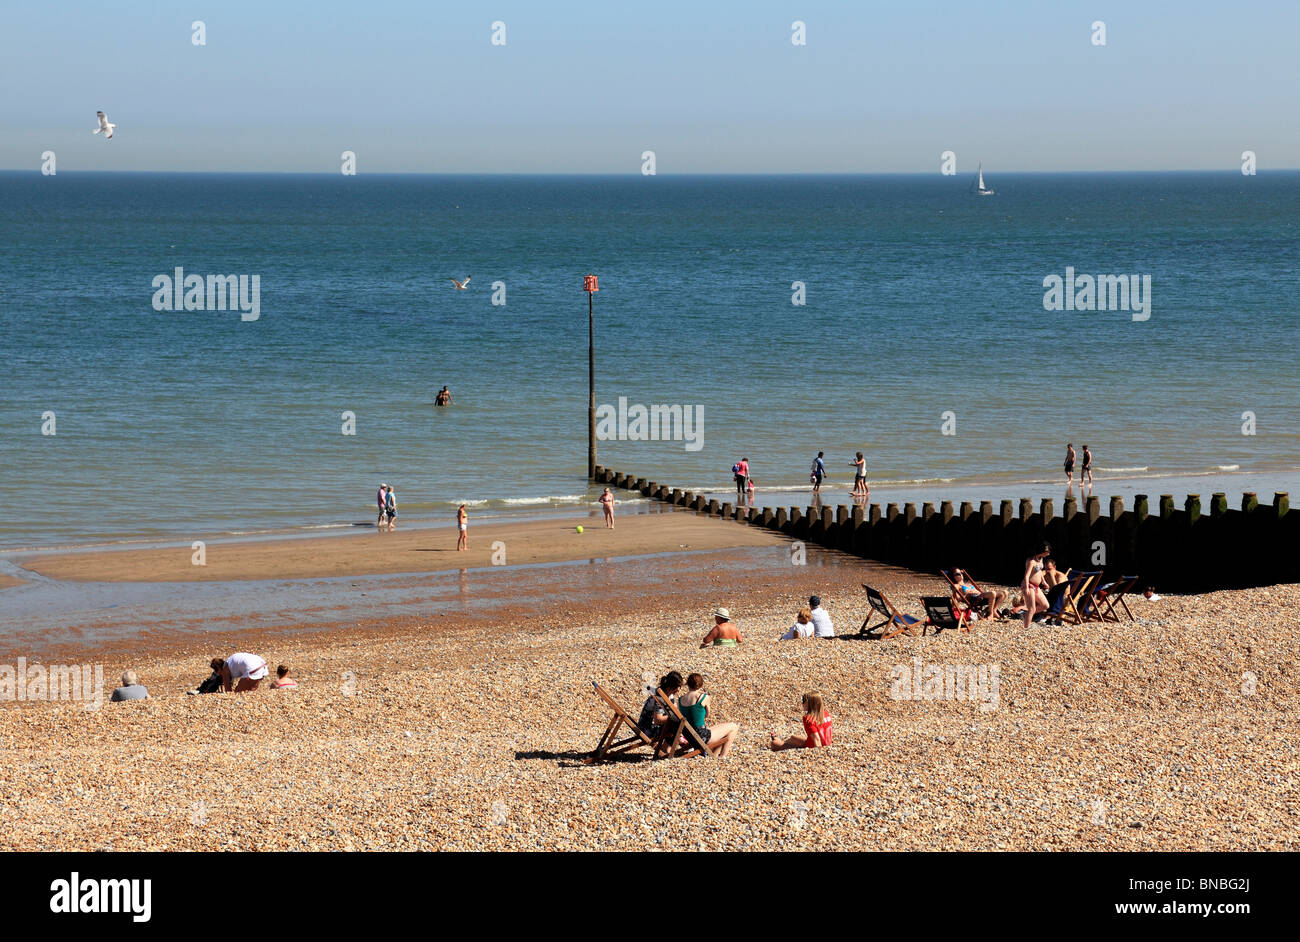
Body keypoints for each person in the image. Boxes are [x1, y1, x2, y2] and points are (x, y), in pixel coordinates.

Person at [678, 674, 738, 756]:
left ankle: (715, 756)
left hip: (689, 735)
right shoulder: (703, 697)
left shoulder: (680, 700)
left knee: (721, 728)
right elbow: (707, 715)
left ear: (687, 684)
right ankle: (723, 757)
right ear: (701, 685)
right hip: (701, 736)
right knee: (733, 726)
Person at [637, 671, 683, 741]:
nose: (679, 689)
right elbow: (658, 720)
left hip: (652, 727)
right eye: (678, 686)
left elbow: (674, 710)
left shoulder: (669, 695)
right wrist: (675, 717)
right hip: (647, 729)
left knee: (677, 728)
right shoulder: (660, 697)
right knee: (675, 729)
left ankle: (671, 747)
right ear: (671, 686)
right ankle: (672, 748)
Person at [1020, 542, 1052, 630]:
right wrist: (1026, 588)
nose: (1048, 554)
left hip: (1036, 586)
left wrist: (1044, 581)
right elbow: (1026, 576)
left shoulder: (1040, 559)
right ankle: (1026, 628)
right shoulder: (1031, 561)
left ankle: (1026, 615)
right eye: (1047, 552)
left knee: (1045, 605)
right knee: (1032, 609)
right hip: (1029, 585)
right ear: (1042, 551)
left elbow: (1040, 572)